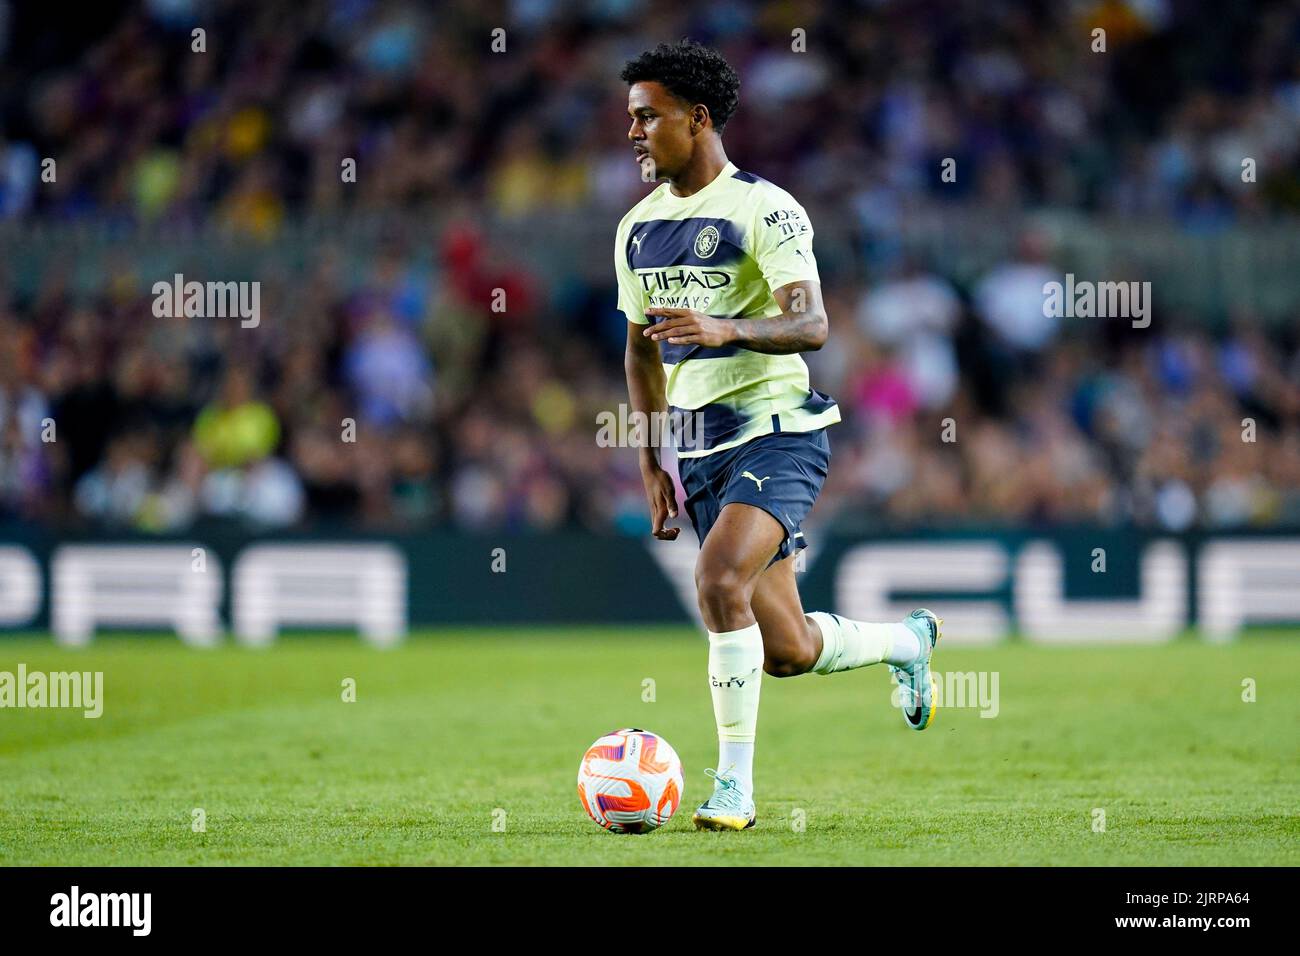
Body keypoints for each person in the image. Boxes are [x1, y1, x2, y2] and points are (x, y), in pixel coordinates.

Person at [615, 39, 943, 831]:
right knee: (787, 650)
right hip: (697, 449)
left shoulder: (765, 208)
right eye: (629, 119)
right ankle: (907, 642)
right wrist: (650, 459)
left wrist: (725, 327)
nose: (632, 134)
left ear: (696, 120)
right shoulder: (635, 229)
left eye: (646, 117)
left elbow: (813, 322)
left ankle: (734, 788)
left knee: (718, 581)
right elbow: (638, 349)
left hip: (779, 433)